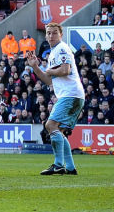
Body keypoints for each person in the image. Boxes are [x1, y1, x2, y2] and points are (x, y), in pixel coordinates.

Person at [26, 22, 85, 176]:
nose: (51, 36)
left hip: (70, 94)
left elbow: (65, 70)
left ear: (61, 35)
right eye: (48, 33)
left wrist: (50, 70)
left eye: (54, 33)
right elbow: (49, 81)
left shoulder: (62, 48)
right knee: (58, 131)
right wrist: (35, 67)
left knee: (50, 125)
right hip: (72, 94)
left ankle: (58, 164)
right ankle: (70, 167)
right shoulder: (53, 52)